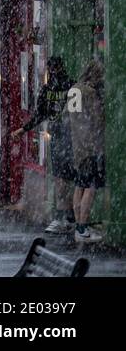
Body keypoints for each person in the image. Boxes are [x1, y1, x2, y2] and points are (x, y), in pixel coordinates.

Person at [10, 57, 76, 234]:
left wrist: (22, 130)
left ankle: (66, 217)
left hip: (61, 139)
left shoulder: (49, 89)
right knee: (71, 179)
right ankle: (70, 217)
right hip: (72, 139)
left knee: (62, 179)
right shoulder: (71, 86)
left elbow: (39, 116)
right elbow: (78, 115)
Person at [67, 57, 106, 243]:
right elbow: (98, 119)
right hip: (90, 145)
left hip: (77, 144)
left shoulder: (74, 89)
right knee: (90, 187)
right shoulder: (91, 93)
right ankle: (82, 227)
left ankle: (78, 226)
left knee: (79, 185)